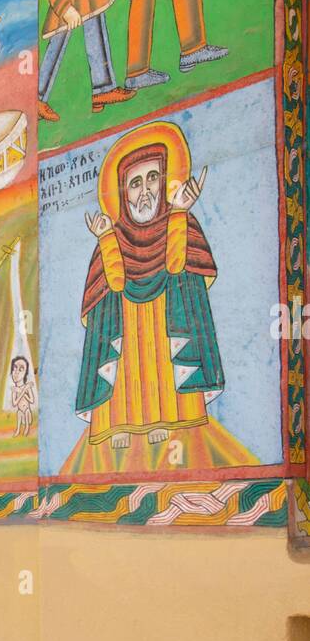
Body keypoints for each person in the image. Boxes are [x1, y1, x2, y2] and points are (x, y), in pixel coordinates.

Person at [76, 121, 223, 451]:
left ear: (165, 177)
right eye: (135, 183)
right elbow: (114, 283)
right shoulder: (112, 234)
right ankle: (119, 424)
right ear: (122, 191)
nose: (145, 191)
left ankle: (165, 418)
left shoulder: (178, 219)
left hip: (163, 314)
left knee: (161, 359)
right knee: (125, 363)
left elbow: (175, 265)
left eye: (153, 178)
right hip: (126, 317)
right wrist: (105, 237)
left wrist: (181, 213)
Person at [9, 355, 36, 437]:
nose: (16, 372)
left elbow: (31, 400)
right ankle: (18, 430)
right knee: (19, 413)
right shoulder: (15, 389)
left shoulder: (27, 387)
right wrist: (22, 391)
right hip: (20, 411)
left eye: (21, 370)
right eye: (14, 368)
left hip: (27, 412)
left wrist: (23, 391)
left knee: (27, 412)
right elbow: (15, 403)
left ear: (25, 374)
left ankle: (27, 428)